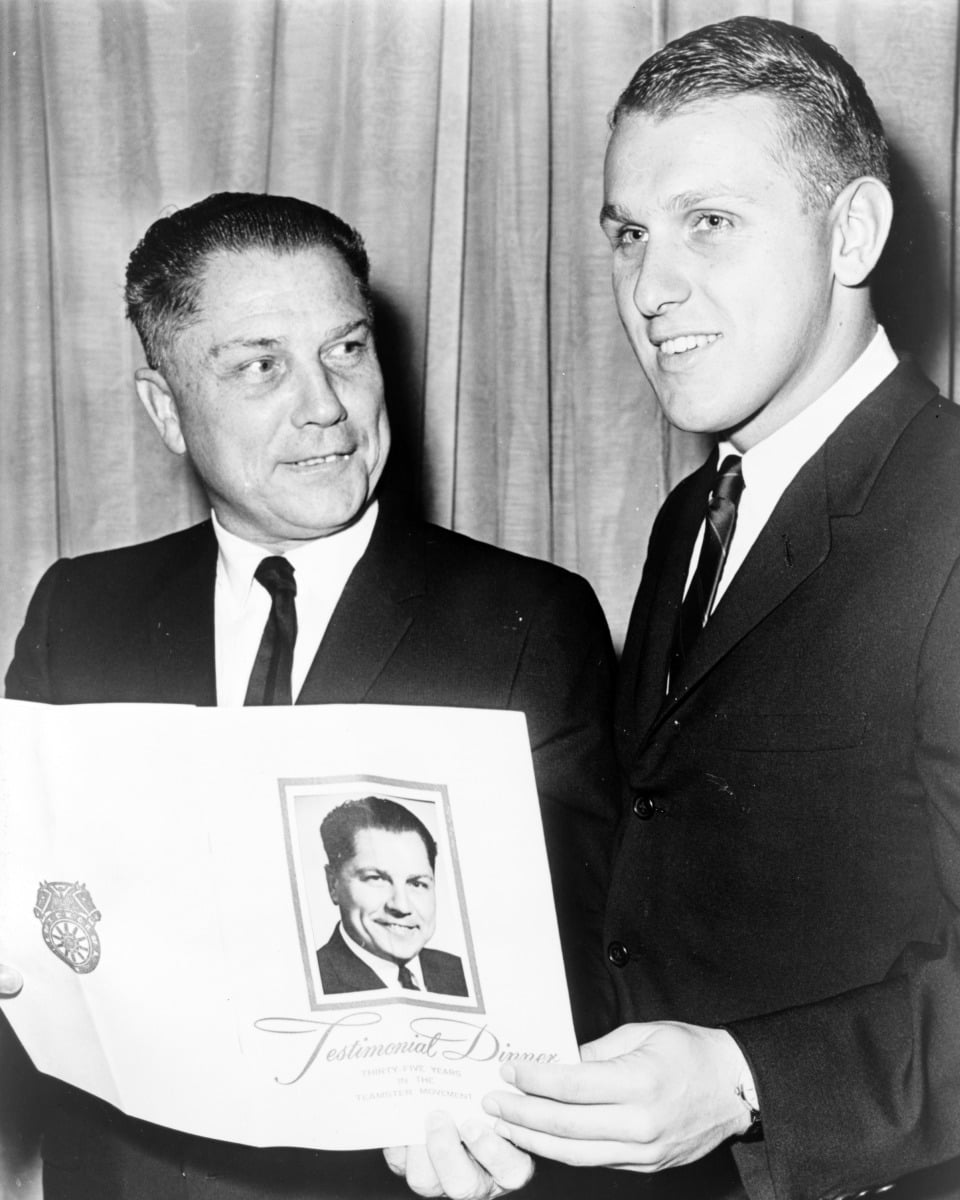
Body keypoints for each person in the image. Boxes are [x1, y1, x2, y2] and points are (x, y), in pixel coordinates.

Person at [393, 16, 960, 1200]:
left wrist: (750, 1082)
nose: (650, 290)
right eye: (629, 234)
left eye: (711, 222)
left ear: (853, 232)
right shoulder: (693, 516)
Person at [1, 191, 620, 1200]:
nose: (326, 404)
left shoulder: (525, 622)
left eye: (346, 349)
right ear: (165, 409)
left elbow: (587, 967)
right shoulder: (80, 611)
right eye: (260, 365)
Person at [316, 796, 467, 997]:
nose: (402, 906)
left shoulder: (461, 974)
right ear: (333, 884)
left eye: (417, 883)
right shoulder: (313, 983)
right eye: (376, 878)